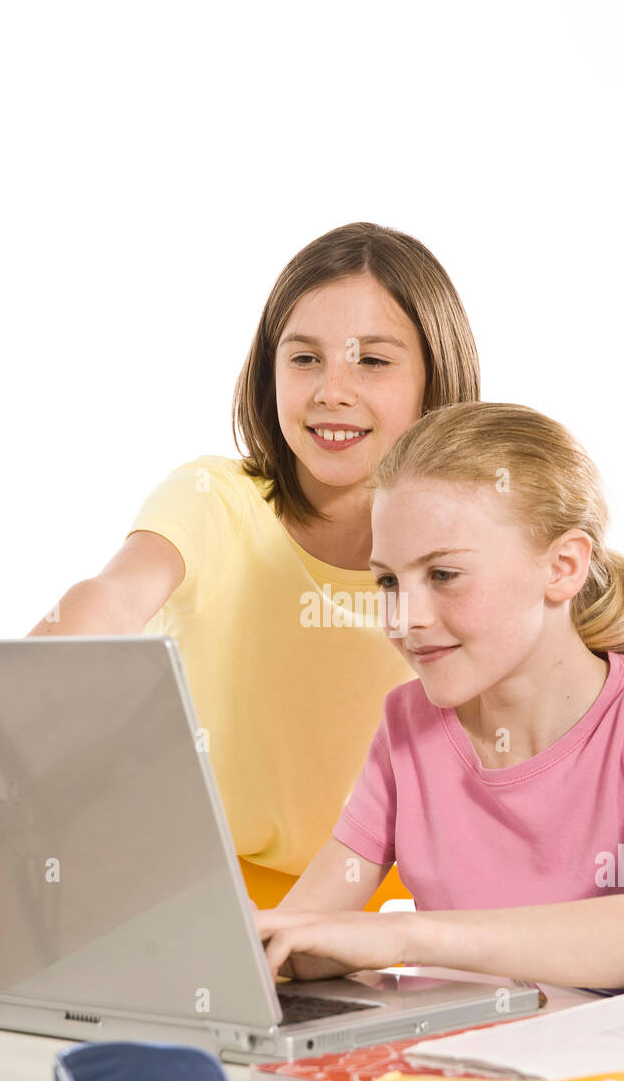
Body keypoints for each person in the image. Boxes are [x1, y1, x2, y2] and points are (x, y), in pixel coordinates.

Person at [27, 222, 480, 909]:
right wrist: (27, 697)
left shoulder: (472, 544)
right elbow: (115, 595)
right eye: (304, 359)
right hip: (202, 893)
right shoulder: (218, 499)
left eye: (373, 362)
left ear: (433, 381)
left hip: (389, 910)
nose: (332, 390)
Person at [255, 403, 624, 990]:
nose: (404, 617)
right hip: (451, 1070)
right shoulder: (407, 726)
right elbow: (297, 929)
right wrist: (257, 942)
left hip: (614, 1075)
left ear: (563, 567)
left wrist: (404, 936)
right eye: (389, 581)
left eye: (443, 575)